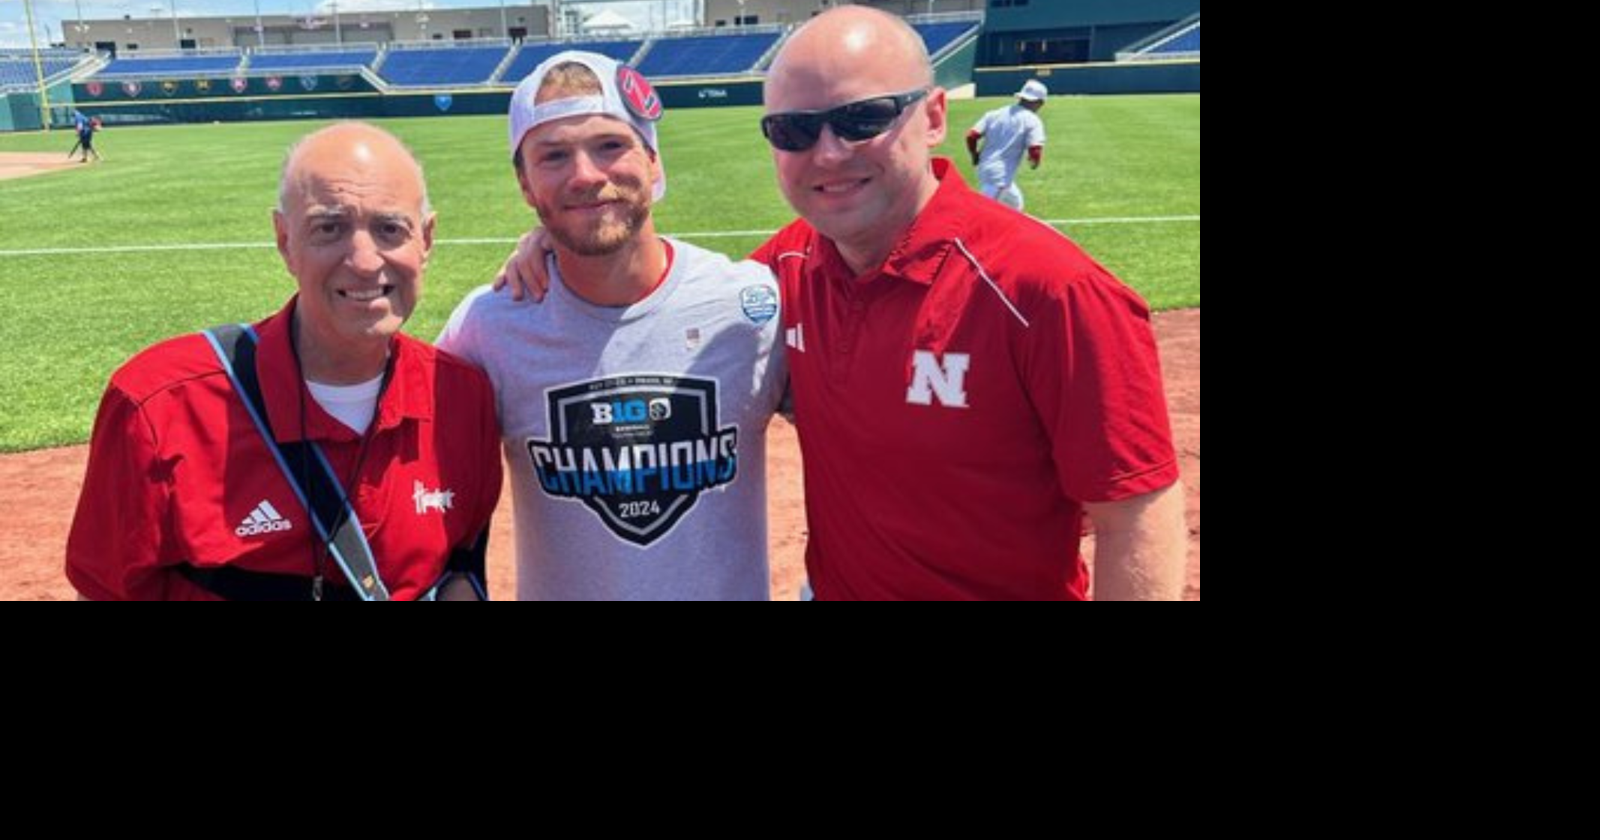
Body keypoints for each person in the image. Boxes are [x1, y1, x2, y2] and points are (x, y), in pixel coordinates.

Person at [500, 8, 1185, 600]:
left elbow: (1137, 513)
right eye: (795, 131)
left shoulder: (1049, 290)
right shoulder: (780, 275)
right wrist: (562, 236)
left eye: (863, 118)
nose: (828, 153)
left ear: (935, 115)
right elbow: (664, 285)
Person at [65, 122, 502, 600]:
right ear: (284, 240)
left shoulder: (463, 397)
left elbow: (459, 566)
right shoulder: (159, 405)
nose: (363, 260)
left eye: (390, 228)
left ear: (427, 239)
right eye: (329, 228)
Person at [437, 52, 786, 600]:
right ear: (526, 184)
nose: (586, 175)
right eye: (553, 156)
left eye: (610, 145)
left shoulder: (750, 305)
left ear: (653, 161)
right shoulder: (487, 327)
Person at [965, 80, 1047, 210]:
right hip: (999, 177)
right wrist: (1034, 162)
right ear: (1039, 102)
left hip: (984, 169)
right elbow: (1035, 149)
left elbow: (972, 136)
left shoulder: (994, 113)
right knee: (983, 214)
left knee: (1016, 204)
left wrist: (975, 155)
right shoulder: (1032, 120)